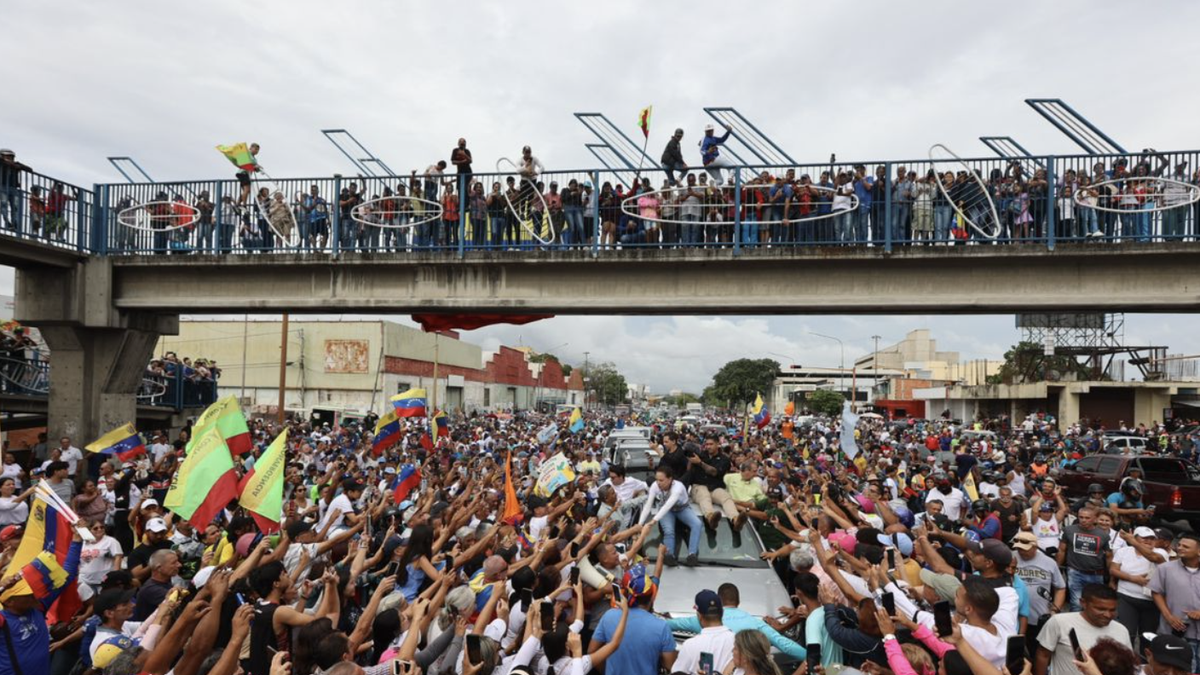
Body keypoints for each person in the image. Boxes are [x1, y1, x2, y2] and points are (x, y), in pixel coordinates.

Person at [667, 583, 806, 662]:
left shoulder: (701, 619)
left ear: (718, 602)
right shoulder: (754, 622)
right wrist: (814, 659)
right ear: (738, 602)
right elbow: (785, 644)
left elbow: (669, 624)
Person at [588, 564, 677, 675]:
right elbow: (669, 664)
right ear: (652, 597)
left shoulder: (608, 616)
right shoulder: (662, 626)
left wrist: (607, 671)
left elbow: (591, 652)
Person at [1035, 584, 1129, 675]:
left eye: (1112, 610)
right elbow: (1043, 655)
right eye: (1100, 609)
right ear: (1083, 603)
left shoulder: (1122, 630)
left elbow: (1127, 666)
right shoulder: (1059, 622)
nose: (1108, 615)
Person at [1110, 526, 1167, 651]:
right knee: (1127, 633)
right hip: (1126, 597)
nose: (1149, 541)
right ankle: (1125, 663)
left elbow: (1154, 558)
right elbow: (1113, 570)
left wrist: (1134, 542)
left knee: (1147, 637)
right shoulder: (1123, 551)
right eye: (1144, 538)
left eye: (1152, 538)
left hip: (1151, 602)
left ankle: (1145, 665)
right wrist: (1133, 578)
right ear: (1134, 537)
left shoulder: (1161, 552)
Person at [1150, 532, 1200, 672]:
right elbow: (1156, 592)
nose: (1180, 548)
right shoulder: (1165, 568)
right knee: (1181, 670)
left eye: (1186, 546)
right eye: (1179, 545)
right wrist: (1169, 617)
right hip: (1176, 632)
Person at [638, 466, 704, 567]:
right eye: (656, 480)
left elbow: (669, 504)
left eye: (661, 480)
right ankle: (669, 556)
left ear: (670, 479)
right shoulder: (655, 486)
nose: (658, 483)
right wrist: (640, 524)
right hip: (666, 511)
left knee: (697, 524)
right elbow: (648, 506)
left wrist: (654, 520)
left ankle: (692, 554)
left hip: (682, 509)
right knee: (668, 530)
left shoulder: (678, 487)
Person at [672, 589, 735, 675]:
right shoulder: (738, 642)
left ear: (699, 615)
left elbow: (677, 673)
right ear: (722, 613)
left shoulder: (690, 645)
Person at [1059, 506, 1111, 611]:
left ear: (1094, 519)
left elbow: (1109, 555)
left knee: (1095, 604)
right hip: (1075, 572)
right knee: (1076, 604)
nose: (1083, 520)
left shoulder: (1103, 535)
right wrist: (1058, 567)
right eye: (1081, 517)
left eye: (1087, 518)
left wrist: (1110, 576)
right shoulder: (1069, 530)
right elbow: (1062, 550)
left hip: (1096, 574)